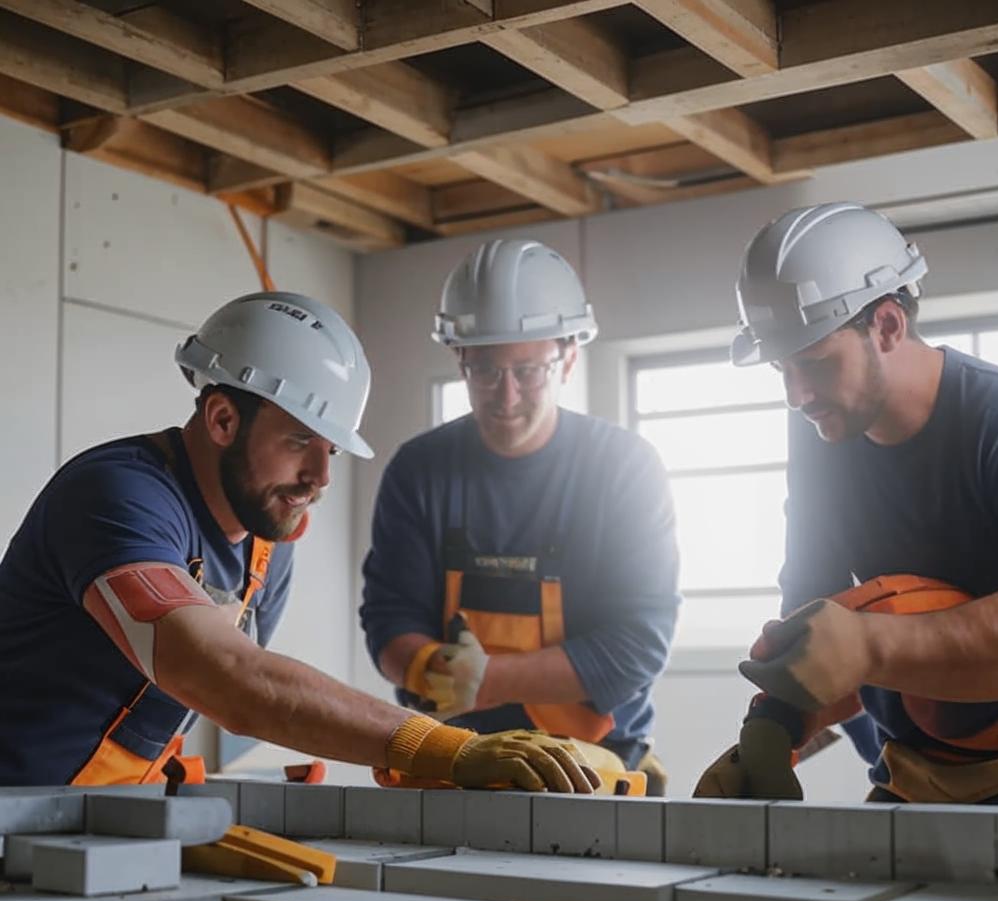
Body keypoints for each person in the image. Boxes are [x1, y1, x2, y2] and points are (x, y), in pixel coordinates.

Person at [0, 291, 598, 795]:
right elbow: (227, 678)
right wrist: (434, 746)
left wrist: (381, 750)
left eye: (331, 449)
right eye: (300, 441)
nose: (321, 477)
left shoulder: (267, 540)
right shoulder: (117, 496)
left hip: (92, 820)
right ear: (222, 420)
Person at [695, 201, 998, 804]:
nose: (796, 394)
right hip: (911, 774)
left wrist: (870, 646)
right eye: (781, 369)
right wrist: (773, 732)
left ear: (889, 326)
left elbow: (855, 643)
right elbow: (814, 618)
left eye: (815, 364)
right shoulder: (826, 430)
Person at [360, 239, 680, 793]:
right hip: (449, 765)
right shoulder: (420, 470)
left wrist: (483, 681)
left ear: (568, 358)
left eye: (528, 371)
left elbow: (638, 644)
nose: (505, 396)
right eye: (485, 371)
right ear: (460, 360)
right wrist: (426, 667)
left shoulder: (624, 468)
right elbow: (388, 621)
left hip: (594, 772)